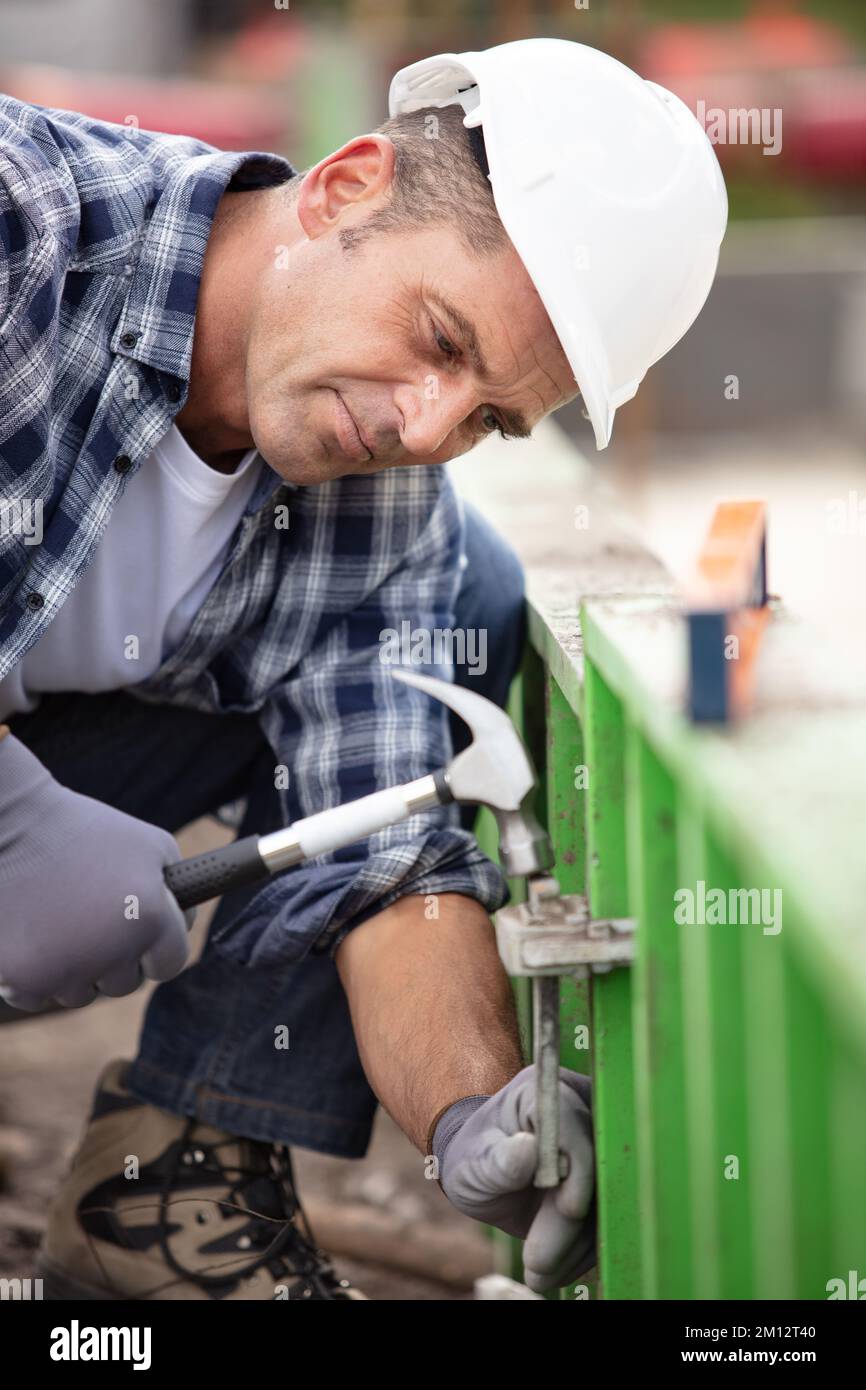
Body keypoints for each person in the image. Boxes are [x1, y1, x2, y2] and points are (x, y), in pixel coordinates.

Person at [0, 38, 726, 1299]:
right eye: (439, 338)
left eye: (491, 417)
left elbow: (374, 860)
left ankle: (169, 1182)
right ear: (346, 188)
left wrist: (467, 1121)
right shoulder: (27, 229)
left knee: (473, 589)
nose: (425, 429)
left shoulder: (381, 514)